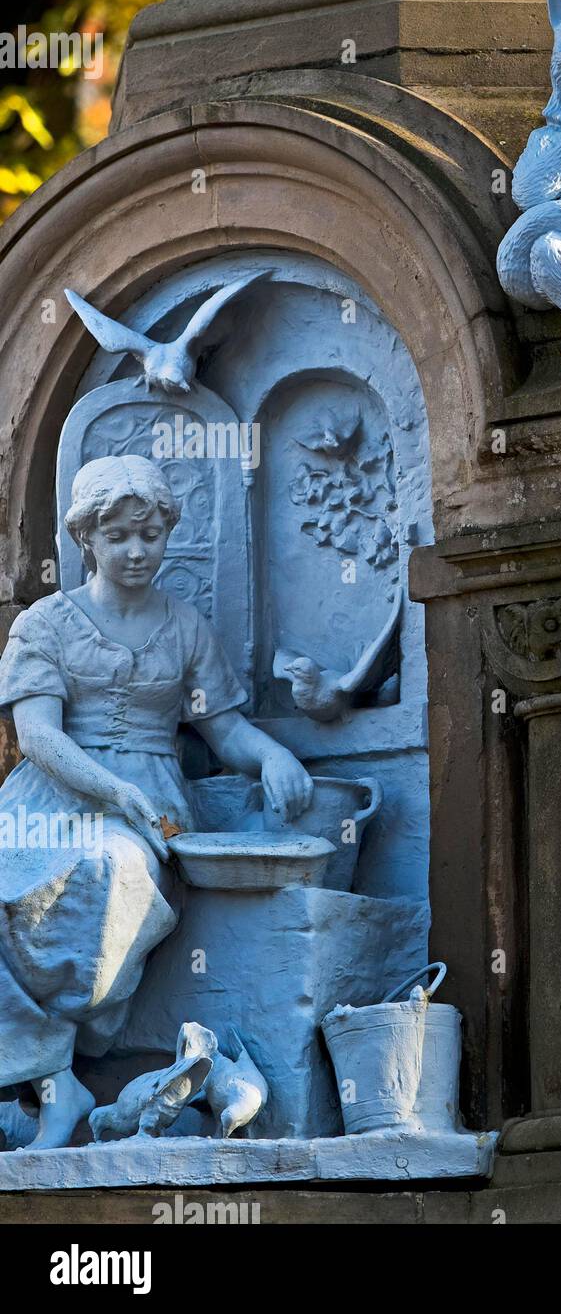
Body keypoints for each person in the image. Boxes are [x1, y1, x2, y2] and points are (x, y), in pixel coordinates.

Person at [0, 455, 312, 1150]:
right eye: (119, 537)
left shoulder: (185, 628)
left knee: (105, 873)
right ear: (87, 539)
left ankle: (55, 1078)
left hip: (149, 813)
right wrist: (112, 789)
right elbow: (37, 736)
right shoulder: (46, 624)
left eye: (151, 534)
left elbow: (223, 729)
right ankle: (52, 1083)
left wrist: (273, 756)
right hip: (50, 798)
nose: (138, 551)